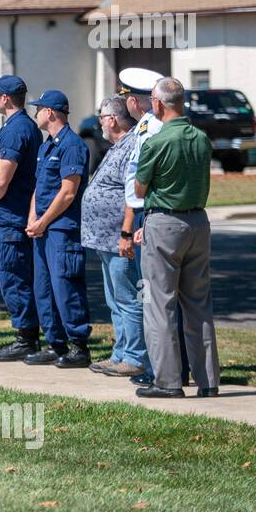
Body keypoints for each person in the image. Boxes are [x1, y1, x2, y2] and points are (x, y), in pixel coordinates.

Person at [135, 77, 221, 399]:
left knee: (159, 304)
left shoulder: (155, 142)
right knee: (199, 305)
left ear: (158, 104)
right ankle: (208, 381)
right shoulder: (201, 139)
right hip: (199, 221)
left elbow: (139, 189)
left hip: (164, 224)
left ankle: (168, 381)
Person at [0, 76, 43, 362]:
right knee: (19, 276)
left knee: (14, 277)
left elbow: (3, 178)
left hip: (10, 215)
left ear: (5, 99)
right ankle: (29, 333)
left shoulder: (16, 129)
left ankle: (26, 337)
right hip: (13, 214)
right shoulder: (22, 126)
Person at [80, 96, 147, 377]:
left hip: (119, 238)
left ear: (113, 119)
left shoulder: (132, 144)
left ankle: (135, 357)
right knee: (114, 298)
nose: (99, 124)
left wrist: (126, 232)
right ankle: (120, 352)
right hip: (104, 239)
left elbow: (133, 195)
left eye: (102, 118)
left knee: (128, 297)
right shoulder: (116, 146)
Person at [25, 89, 91, 368]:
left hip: (62, 229)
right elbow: (39, 188)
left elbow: (67, 193)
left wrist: (43, 221)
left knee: (66, 286)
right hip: (42, 228)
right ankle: (56, 343)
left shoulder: (71, 145)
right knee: (43, 288)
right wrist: (32, 219)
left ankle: (78, 345)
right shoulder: (46, 145)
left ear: (50, 112)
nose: (36, 113)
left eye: (38, 109)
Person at [117, 67, 165, 388]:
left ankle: (160, 367)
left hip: (150, 220)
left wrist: (132, 225)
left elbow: (142, 184)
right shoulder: (148, 126)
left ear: (135, 101)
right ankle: (165, 365)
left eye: (127, 99)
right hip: (149, 220)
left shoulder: (150, 129)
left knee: (152, 298)